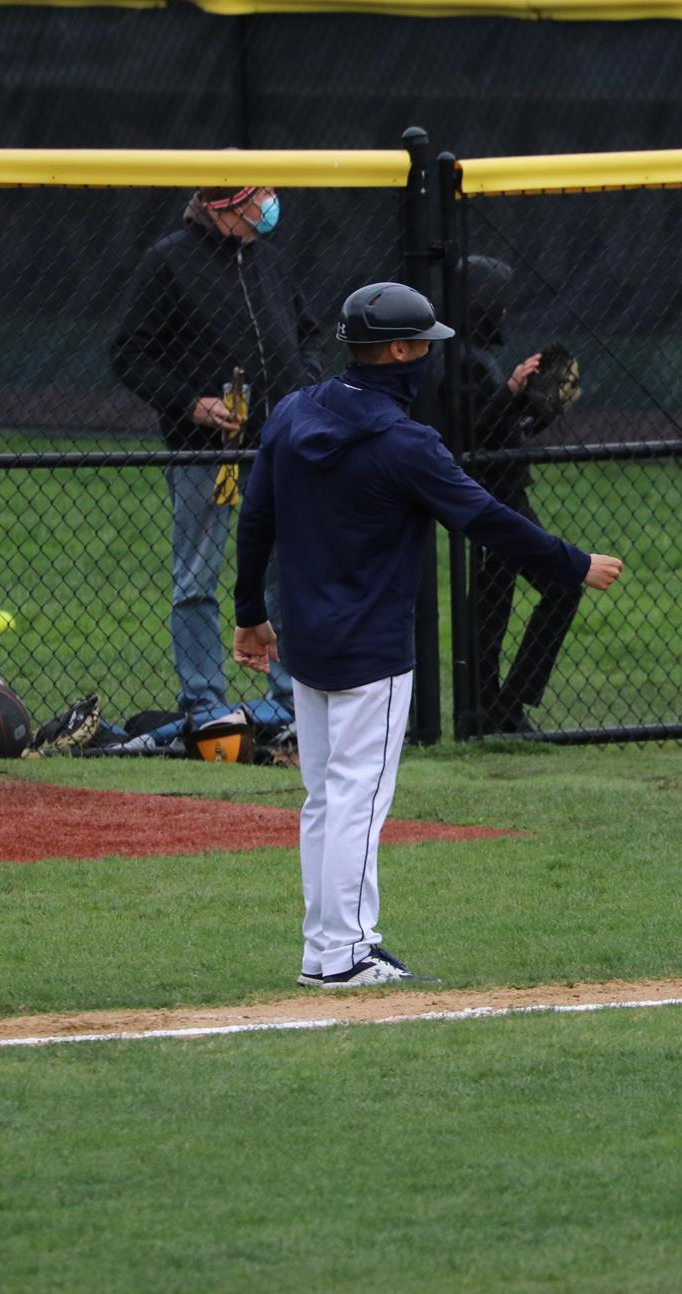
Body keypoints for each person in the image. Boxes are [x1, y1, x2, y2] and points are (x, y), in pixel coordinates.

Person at [232, 282, 623, 989]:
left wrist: (247, 610)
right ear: (401, 351)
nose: (431, 358)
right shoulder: (404, 443)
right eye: (424, 346)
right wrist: (572, 563)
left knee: (325, 796)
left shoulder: (294, 412)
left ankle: (324, 949)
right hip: (373, 650)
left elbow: (256, 513)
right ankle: (349, 952)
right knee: (357, 796)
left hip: (308, 643)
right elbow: (487, 518)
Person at [112, 182, 320, 721]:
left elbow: (308, 335)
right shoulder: (170, 261)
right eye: (258, 196)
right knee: (197, 577)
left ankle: (286, 700)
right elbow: (128, 352)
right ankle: (204, 705)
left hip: (277, 450)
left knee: (283, 571)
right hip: (207, 452)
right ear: (220, 206)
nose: (269, 204)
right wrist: (191, 404)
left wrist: (306, 389)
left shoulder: (270, 260)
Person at [454, 255, 583, 734]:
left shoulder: (478, 354)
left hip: (506, 495)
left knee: (506, 597)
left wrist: (529, 410)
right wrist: (509, 391)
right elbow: (467, 435)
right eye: (496, 302)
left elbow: (499, 428)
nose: (503, 312)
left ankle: (499, 707)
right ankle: (495, 709)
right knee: (515, 597)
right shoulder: (459, 357)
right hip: (489, 500)